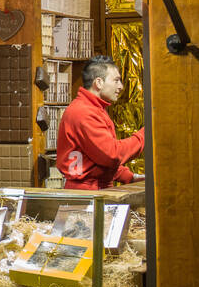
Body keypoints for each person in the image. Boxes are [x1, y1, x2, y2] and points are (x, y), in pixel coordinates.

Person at [56, 55, 145, 190]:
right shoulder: (84, 112)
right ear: (98, 82)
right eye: (116, 80)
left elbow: (97, 157)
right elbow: (111, 154)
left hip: (94, 189)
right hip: (87, 194)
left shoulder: (93, 108)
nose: (120, 86)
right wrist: (146, 134)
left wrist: (128, 176)